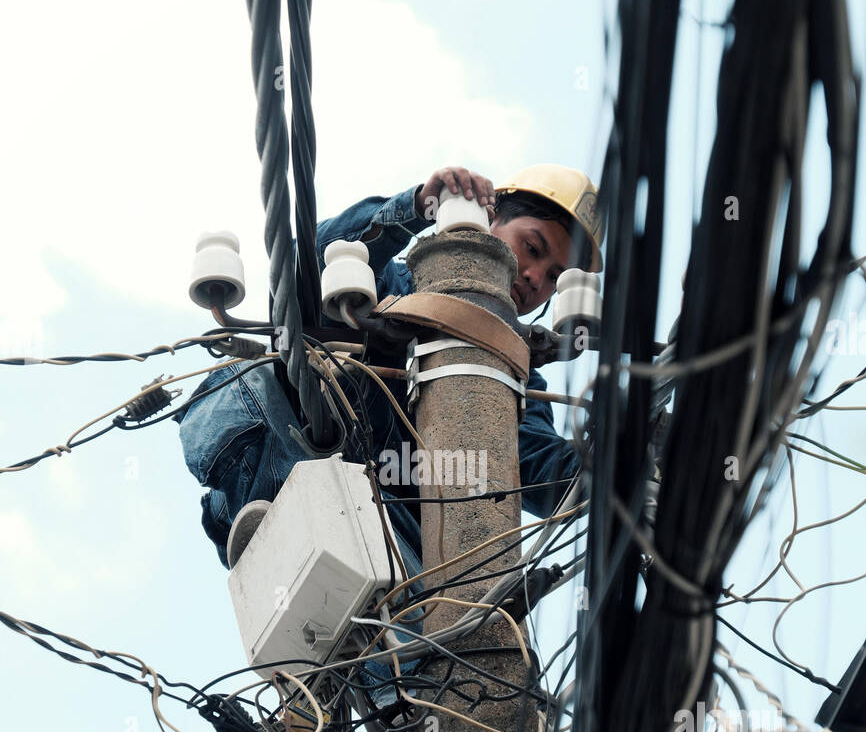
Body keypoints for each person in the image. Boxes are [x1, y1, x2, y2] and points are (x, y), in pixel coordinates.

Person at [175, 162, 603, 576]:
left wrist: (625, 459)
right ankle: (277, 508)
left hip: (382, 534)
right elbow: (310, 263)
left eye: (555, 277)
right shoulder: (383, 286)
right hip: (280, 444)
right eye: (532, 247)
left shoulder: (518, 373)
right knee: (256, 379)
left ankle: (347, 575)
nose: (534, 278)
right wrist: (414, 209)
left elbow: (539, 469)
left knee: (437, 611)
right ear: (490, 217)